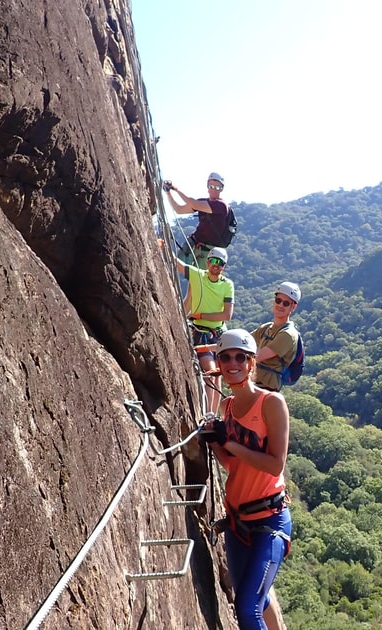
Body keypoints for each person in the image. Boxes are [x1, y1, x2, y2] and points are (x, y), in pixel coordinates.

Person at [201, 329, 291, 630]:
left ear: (251, 363)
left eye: (240, 357)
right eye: (225, 357)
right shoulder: (226, 408)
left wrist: (229, 442)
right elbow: (232, 465)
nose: (232, 363)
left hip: (270, 520)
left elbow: (275, 464)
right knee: (256, 597)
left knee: (247, 607)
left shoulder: (271, 403)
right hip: (238, 523)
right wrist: (215, 443)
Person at [177, 246, 234, 411]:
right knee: (211, 372)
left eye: (220, 263)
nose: (217, 265)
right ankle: (209, 414)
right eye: (214, 261)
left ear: (224, 266)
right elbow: (178, 264)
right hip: (201, 333)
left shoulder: (227, 285)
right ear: (208, 262)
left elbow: (227, 315)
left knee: (217, 376)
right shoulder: (198, 276)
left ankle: (213, 415)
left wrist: (200, 315)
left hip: (218, 334)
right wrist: (161, 246)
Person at [165, 172, 232, 268]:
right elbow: (179, 209)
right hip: (195, 242)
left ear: (222, 189)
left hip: (208, 251)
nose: (214, 190)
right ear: (207, 186)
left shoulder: (221, 206)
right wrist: (168, 193)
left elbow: (194, 204)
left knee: (198, 278)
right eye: (211, 186)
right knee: (176, 265)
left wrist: (176, 190)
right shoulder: (203, 202)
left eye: (218, 188)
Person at [252, 282, 301, 392]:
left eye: (286, 303)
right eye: (278, 300)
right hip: (252, 384)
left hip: (266, 389)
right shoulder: (266, 328)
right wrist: (206, 348)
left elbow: (257, 358)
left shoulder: (288, 335)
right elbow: (239, 343)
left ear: (293, 307)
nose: (280, 305)